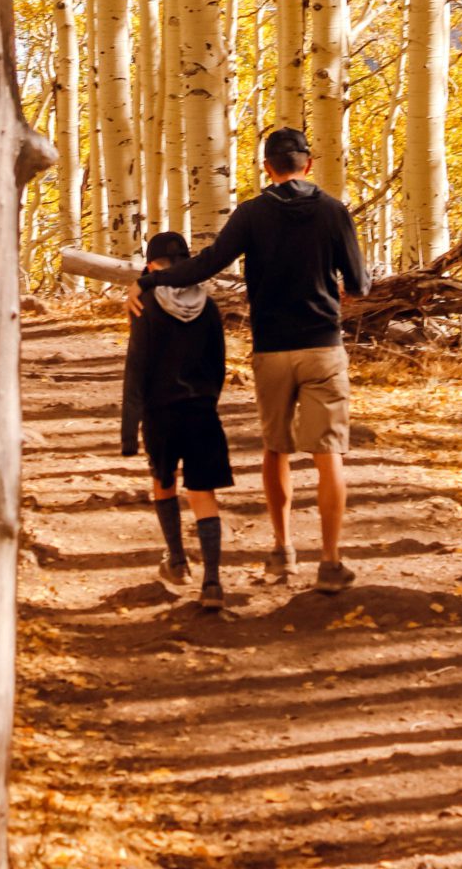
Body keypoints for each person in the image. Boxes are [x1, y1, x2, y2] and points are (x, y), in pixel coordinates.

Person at [136, 127, 369, 593]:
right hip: (323, 347)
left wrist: (151, 280)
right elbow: (360, 284)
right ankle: (330, 562)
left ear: (267, 167)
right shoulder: (333, 211)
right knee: (328, 454)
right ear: (308, 164)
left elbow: (207, 263)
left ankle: (282, 552)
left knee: (276, 448)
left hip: (272, 348)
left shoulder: (251, 213)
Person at [121, 229, 232, 612]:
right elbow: (218, 364)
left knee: (163, 481)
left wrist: (129, 432)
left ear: (151, 266)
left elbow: (136, 368)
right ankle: (212, 582)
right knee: (203, 493)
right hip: (202, 412)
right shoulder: (209, 306)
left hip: (161, 413)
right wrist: (208, 400)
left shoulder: (146, 305)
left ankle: (178, 561)